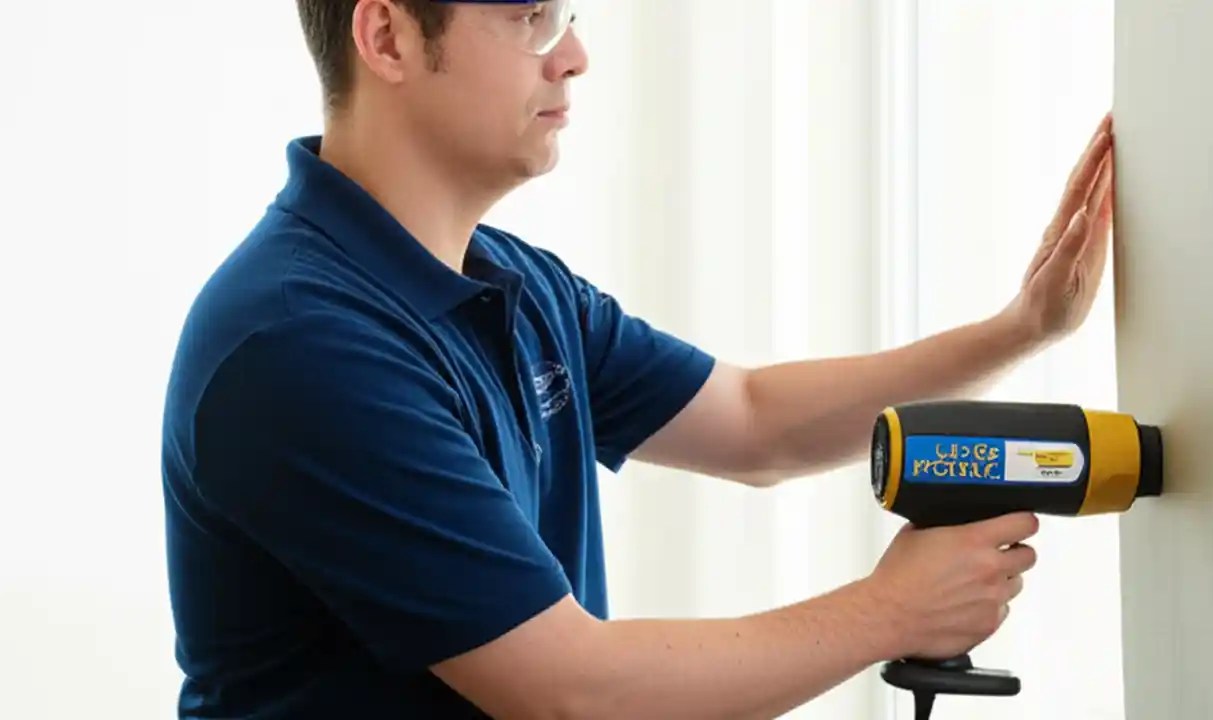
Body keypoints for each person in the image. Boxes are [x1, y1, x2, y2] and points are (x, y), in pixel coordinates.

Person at [160, 1, 1116, 717]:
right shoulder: (299, 342)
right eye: (529, 15)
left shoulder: (514, 283)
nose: (573, 56)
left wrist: (1021, 329)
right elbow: (568, 691)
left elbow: (753, 422)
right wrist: (892, 613)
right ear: (388, 38)